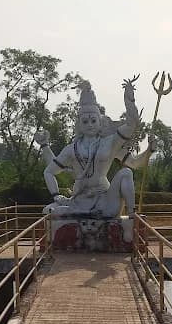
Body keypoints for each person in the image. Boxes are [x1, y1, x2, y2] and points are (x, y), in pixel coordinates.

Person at [35, 77, 144, 218]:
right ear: (79, 124)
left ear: (100, 122)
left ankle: (131, 213)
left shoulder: (110, 142)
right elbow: (49, 171)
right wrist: (56, 195)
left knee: (126, 173)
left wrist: (129, 99)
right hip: (78, 200)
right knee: (49, 211)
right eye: (85, 121)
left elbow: (131, 125)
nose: (90, 125)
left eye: (93, 120)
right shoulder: (72, 149)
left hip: (106, 199)